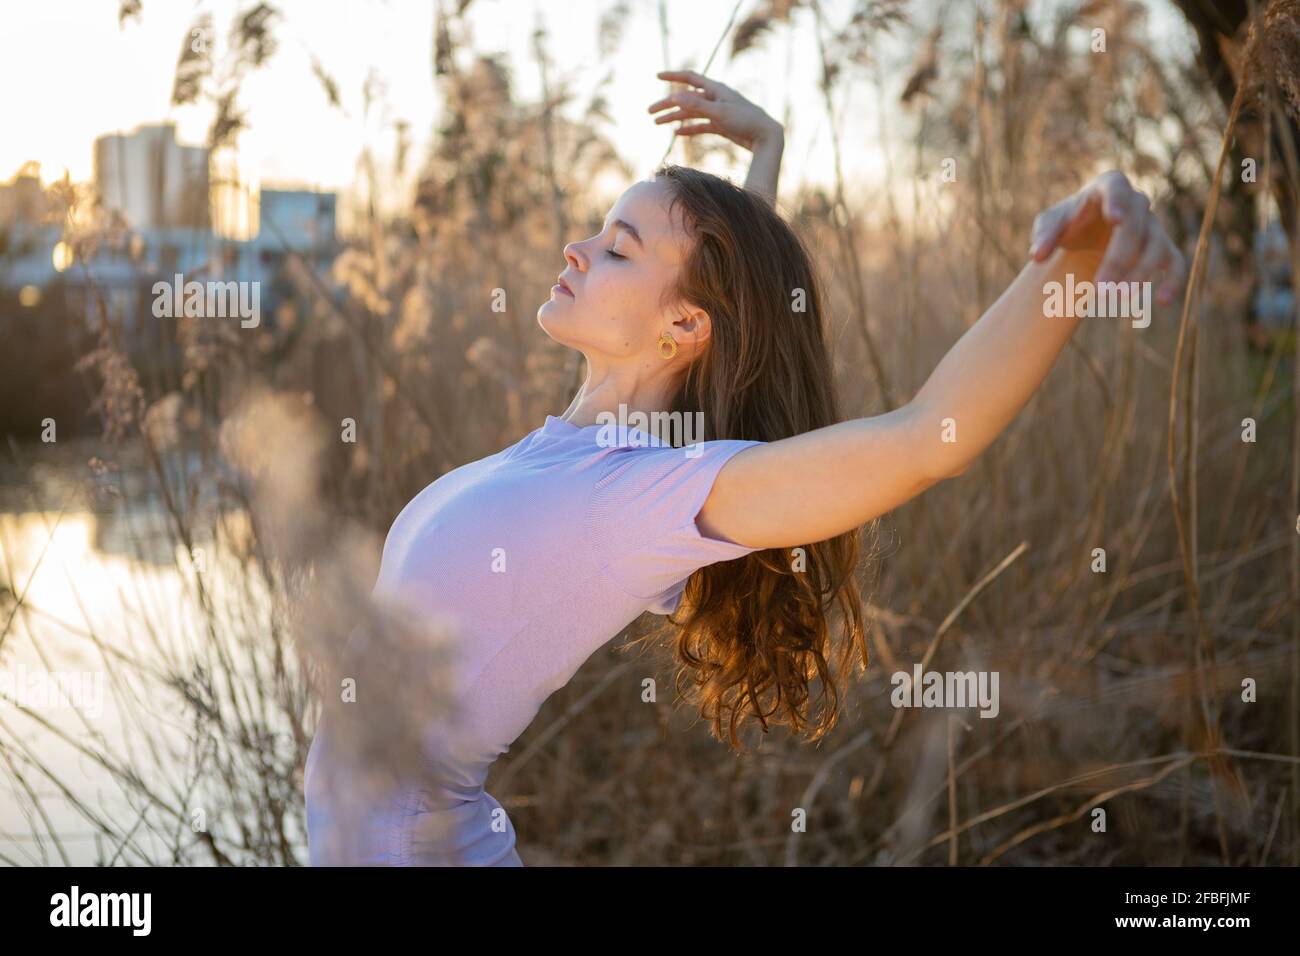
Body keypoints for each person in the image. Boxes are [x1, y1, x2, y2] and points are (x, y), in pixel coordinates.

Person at [304, 69, 1186, 866]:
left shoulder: (640, 499)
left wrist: (1074, 260)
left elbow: (929, 438)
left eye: (617, 248)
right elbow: (725, 305)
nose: (577, 249)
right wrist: (764, 158)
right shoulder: (583, 453)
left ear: (682, 328)